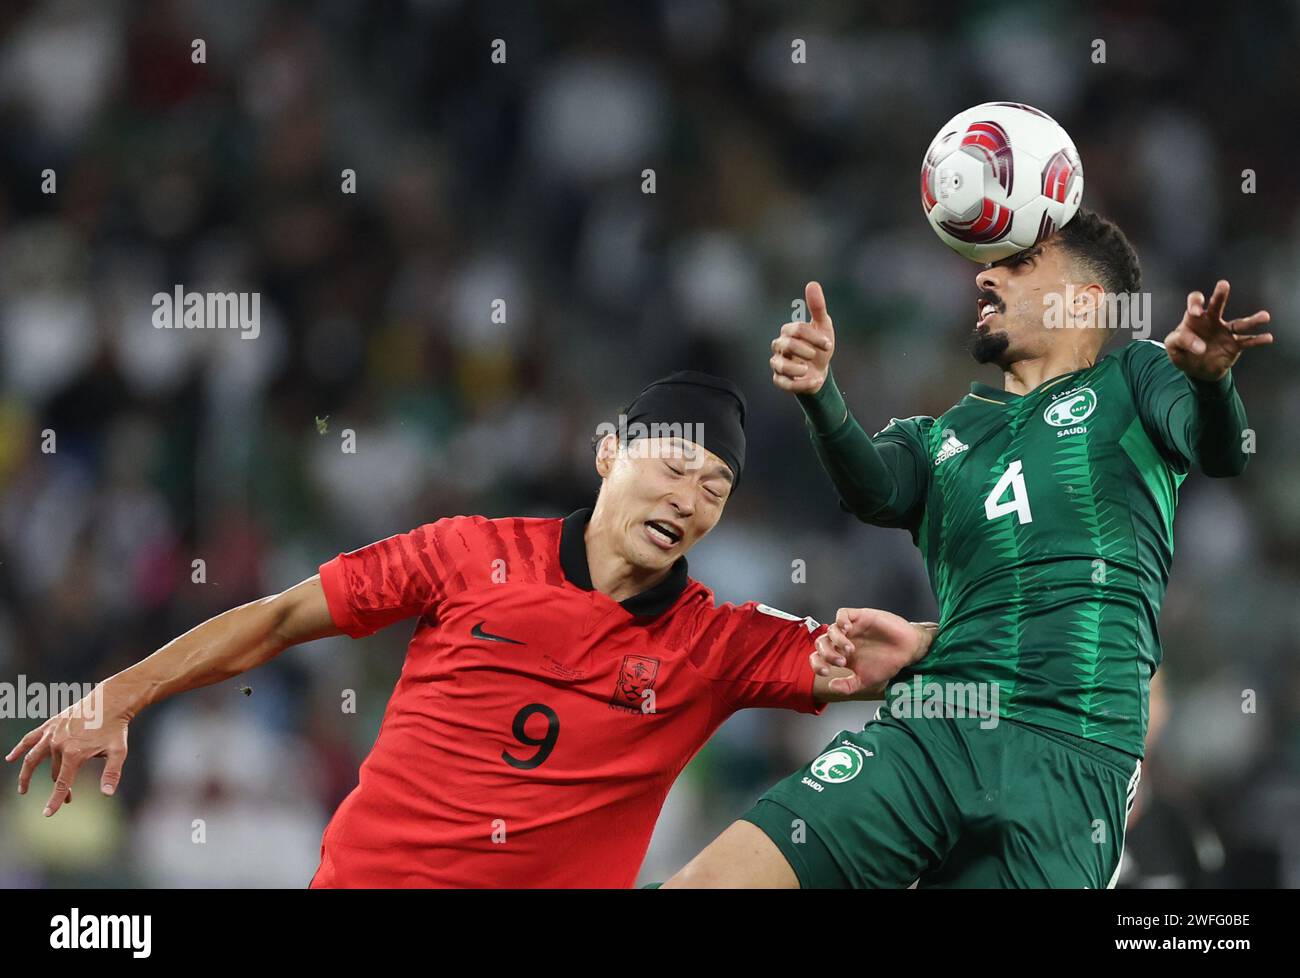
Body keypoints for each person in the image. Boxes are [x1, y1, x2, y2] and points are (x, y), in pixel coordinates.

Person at [6, 370, 935, 888]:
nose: (689, 500)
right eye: (674, 465)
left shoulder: (720, 643)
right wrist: (121, 692)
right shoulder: (467, 553)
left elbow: (874, 663)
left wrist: (930, 648)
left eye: (715, 489)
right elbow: (283, 618)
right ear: (609, 453)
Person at [665, 209, 1273, 888]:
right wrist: (821, 396)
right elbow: (873, 488)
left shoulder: (1135, 379)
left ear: (1086, 299)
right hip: (938, 726)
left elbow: (1222, 453)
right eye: (988, 264)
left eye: (1018, 264)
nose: (986, 275)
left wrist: (1214, 381)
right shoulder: (943, 435)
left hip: (1072, 762)